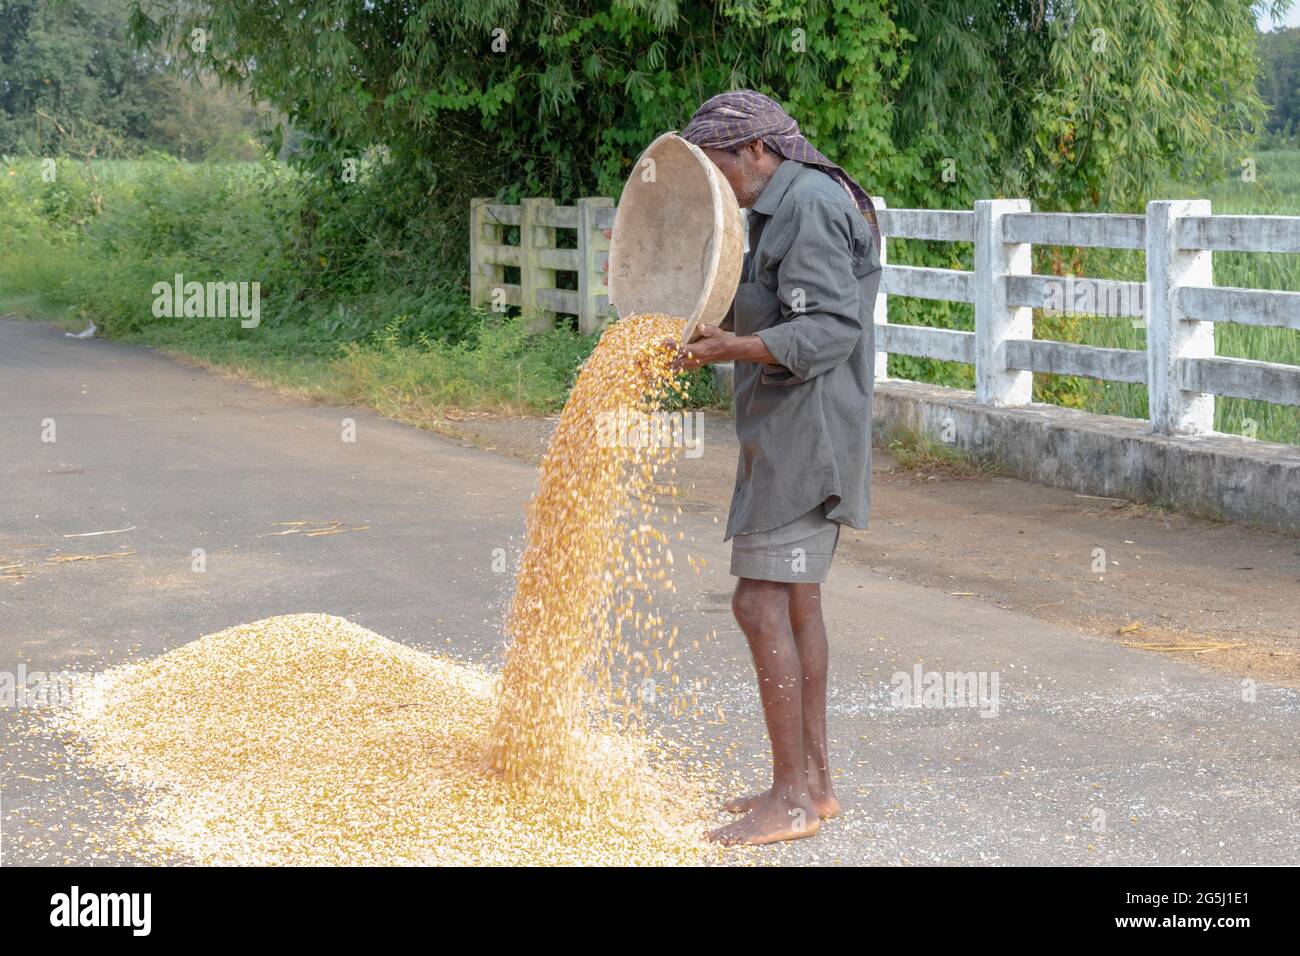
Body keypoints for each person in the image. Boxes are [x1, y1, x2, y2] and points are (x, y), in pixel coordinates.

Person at [672, 90, 882, 846]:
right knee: (793, 604)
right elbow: (778, 307)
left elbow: (827, 328)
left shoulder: (809, 205)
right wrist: (723, 329)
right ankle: (813, 788)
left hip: (808, 432)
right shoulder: (776, 207)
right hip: (788, 423)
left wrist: (731, 349)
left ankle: (791, 802)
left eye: (721, 167)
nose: (719, 185)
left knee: (758, 604)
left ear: (757, 151)